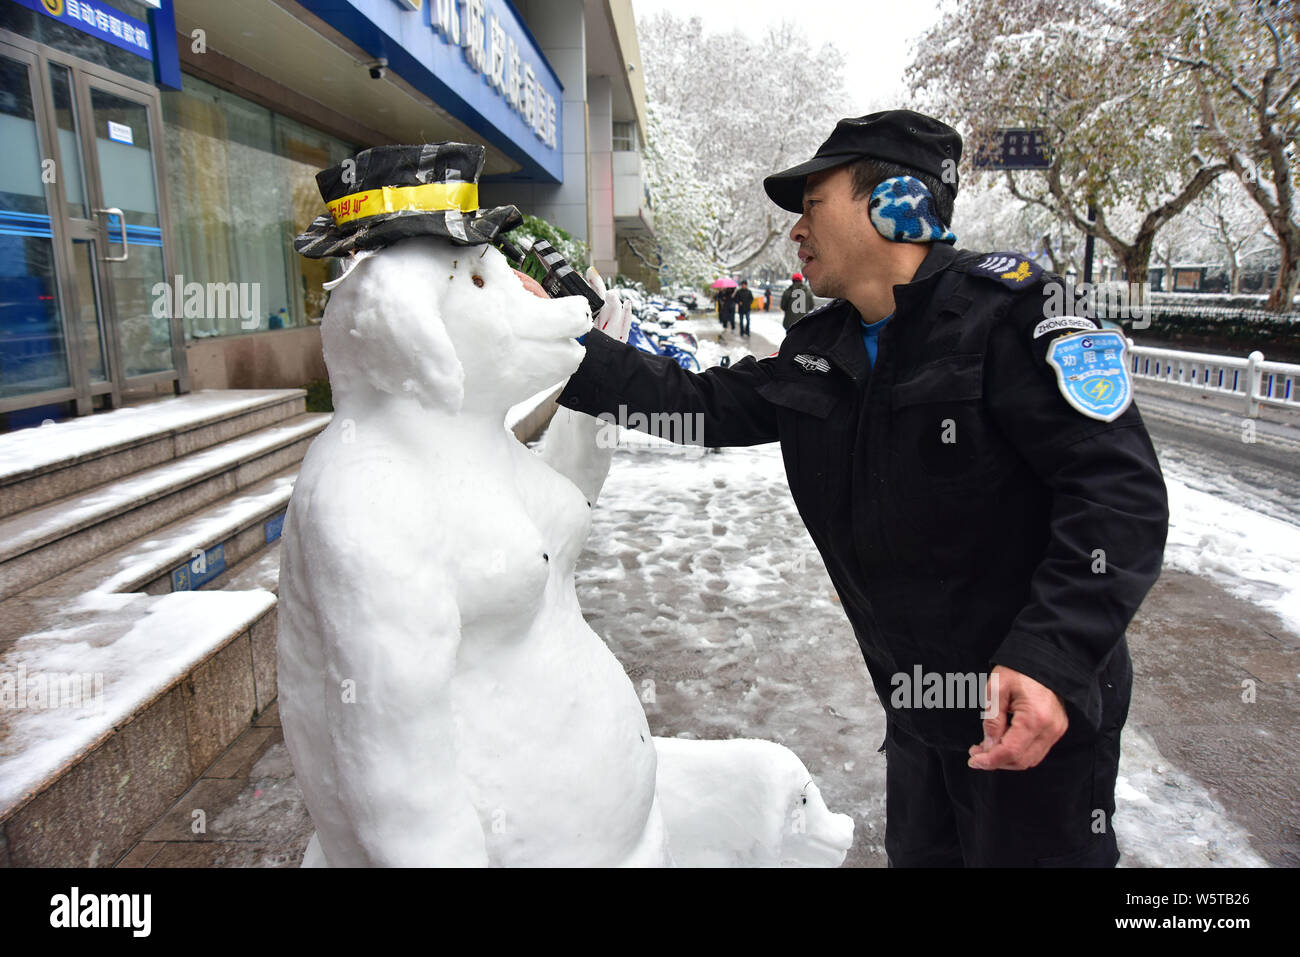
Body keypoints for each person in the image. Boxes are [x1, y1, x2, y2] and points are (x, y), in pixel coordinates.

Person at [552, 108, 1168, 867]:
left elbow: (1118, 496)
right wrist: (551, 344)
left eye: (812, 205)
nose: (795, 231)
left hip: (1033, 712)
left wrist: (1051, 658)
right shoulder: (822, 349)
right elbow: (701, 406)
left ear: (896, 204)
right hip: (917, 710)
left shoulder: (1014, 316)